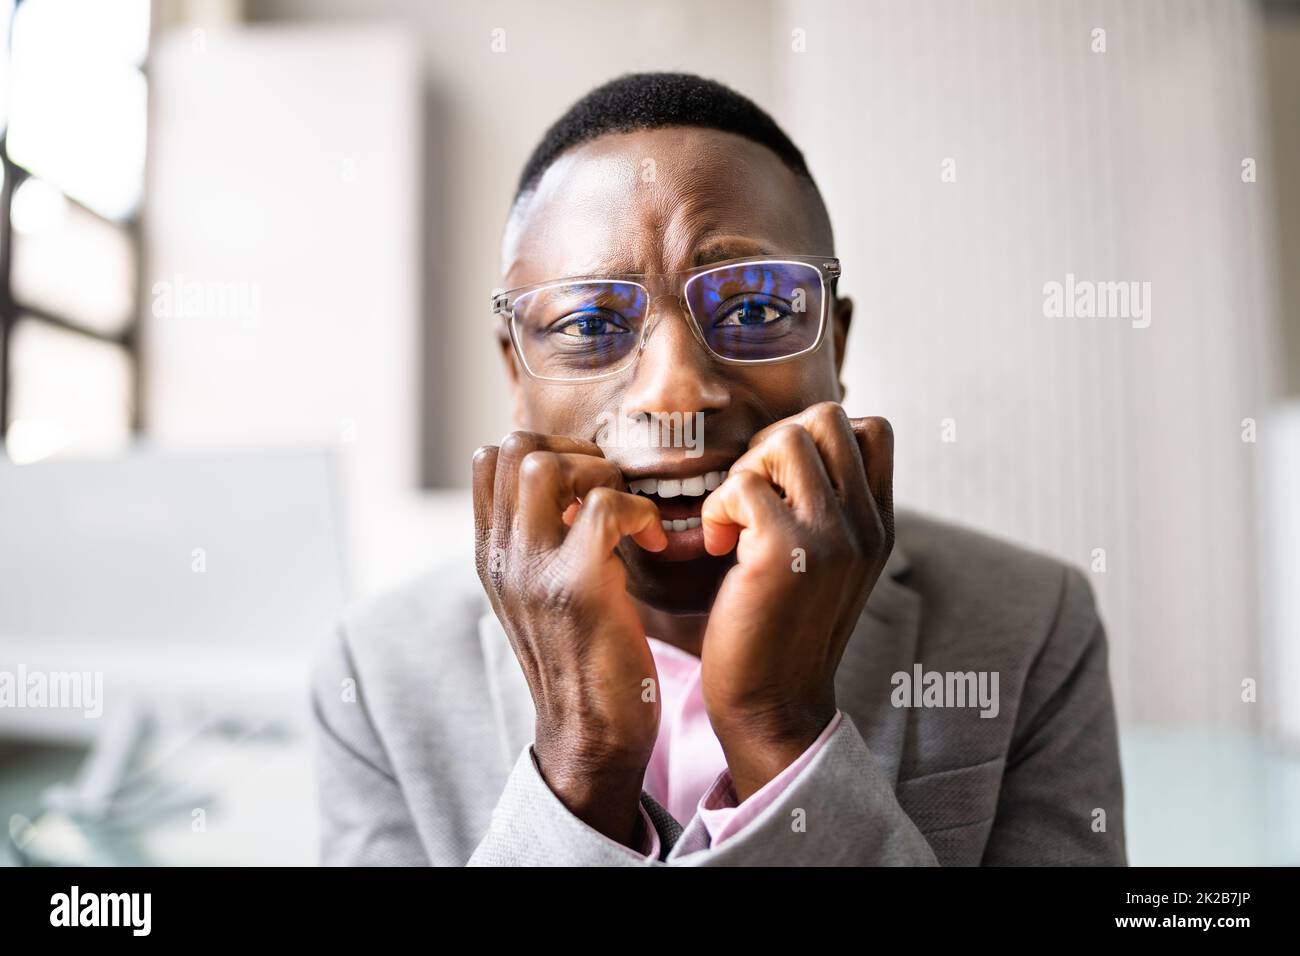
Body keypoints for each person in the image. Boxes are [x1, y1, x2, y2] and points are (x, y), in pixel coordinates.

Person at [312, 72, 1126, 866]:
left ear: (835, 348)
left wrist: (782, 732)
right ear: (517, 377)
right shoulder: (376, 677)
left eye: (755, 309)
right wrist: (583, 761)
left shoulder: (1033, 624)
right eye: (591, 321)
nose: (676, 388)